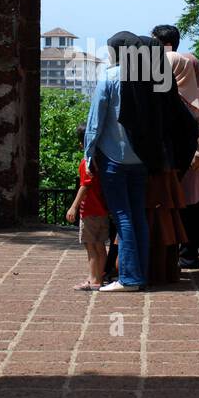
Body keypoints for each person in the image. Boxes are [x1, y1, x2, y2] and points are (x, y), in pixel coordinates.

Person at [152, 24, 199, 269]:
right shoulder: (191, 67)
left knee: (186, 203)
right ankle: (198, 254)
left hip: (186, 149)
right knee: (196, 205)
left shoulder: (170, 78)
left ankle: (192, 254)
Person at [83, 32, 152, 292]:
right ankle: (141, 273)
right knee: (137, 216)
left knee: (122, 216)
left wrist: (89, 154)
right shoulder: (147, 76)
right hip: (141, 157)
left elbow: (95, 121)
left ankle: (129, 278)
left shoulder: (110, 77)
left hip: (114, 157)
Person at [65, 125, 109, 292]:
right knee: (100, 246)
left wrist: (73, 207)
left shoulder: (87, 162)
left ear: (81, 145)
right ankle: (99, 277)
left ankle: (93, 280)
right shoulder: (103, 161)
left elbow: (84, 186)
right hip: (102, 211)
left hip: (89, 211)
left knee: (90, 246)